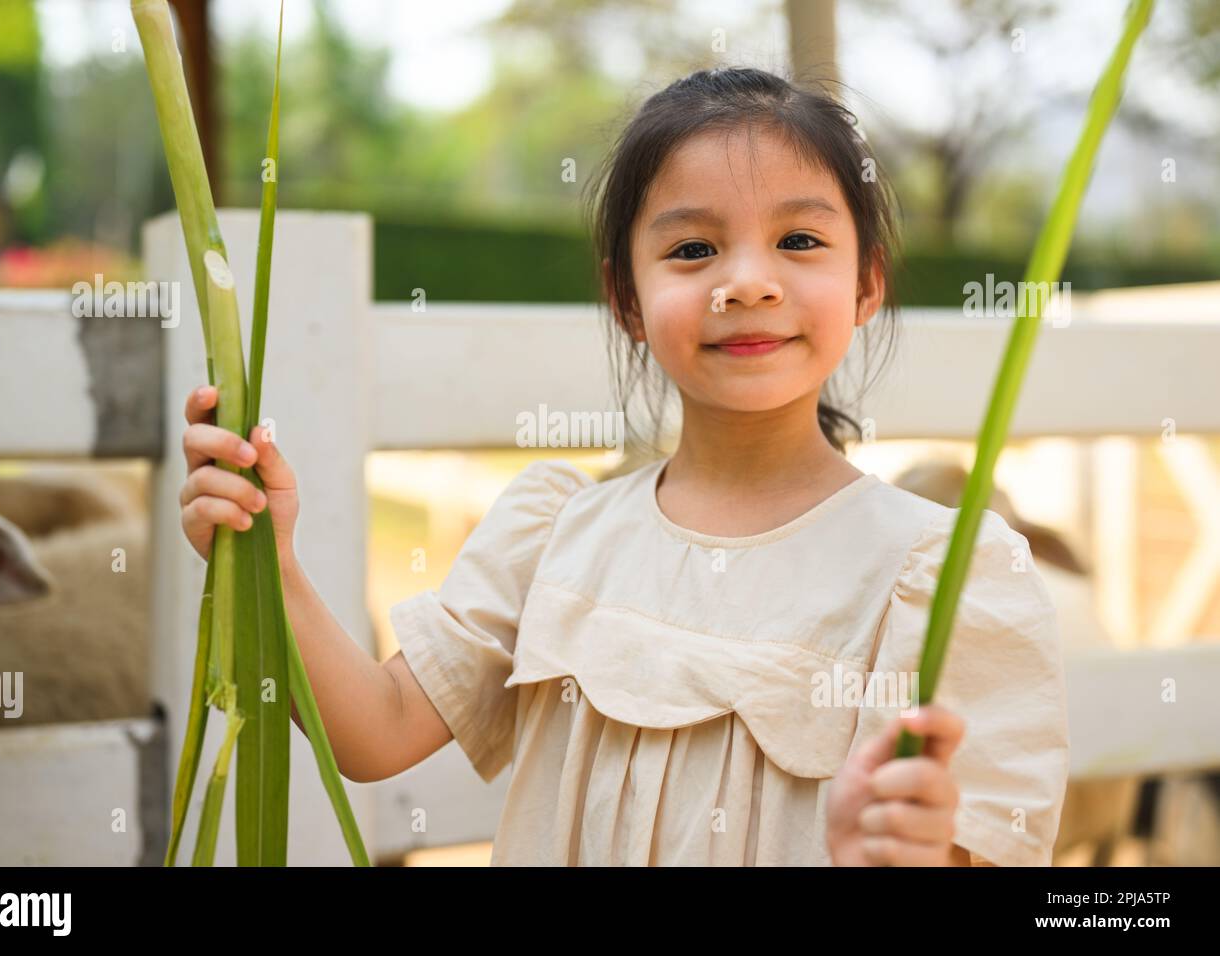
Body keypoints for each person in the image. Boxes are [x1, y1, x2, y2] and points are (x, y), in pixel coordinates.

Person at [178, 67, 1068, 866]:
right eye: (692, 250)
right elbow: (374, 731)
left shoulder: (942, 579)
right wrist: (272, 560)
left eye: (799, 241)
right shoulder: (556, 533)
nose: (747, 282)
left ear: (868, 282)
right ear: (626, 298)